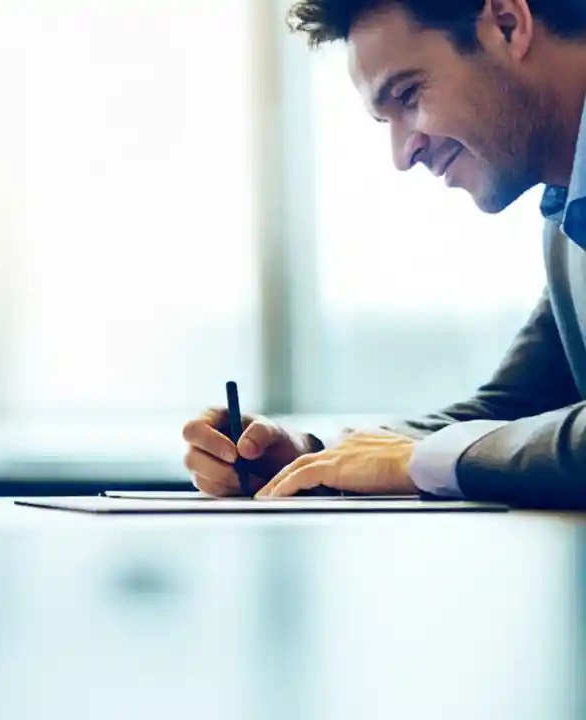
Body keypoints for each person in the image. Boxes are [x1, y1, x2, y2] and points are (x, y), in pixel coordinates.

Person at [181, 0, 586, 508]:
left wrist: (417, 462)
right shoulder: (568, 220)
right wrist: (311, 456)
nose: (403, 154)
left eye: (409, 95)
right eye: (386, 118)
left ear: (507, 24)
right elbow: (513, 409)